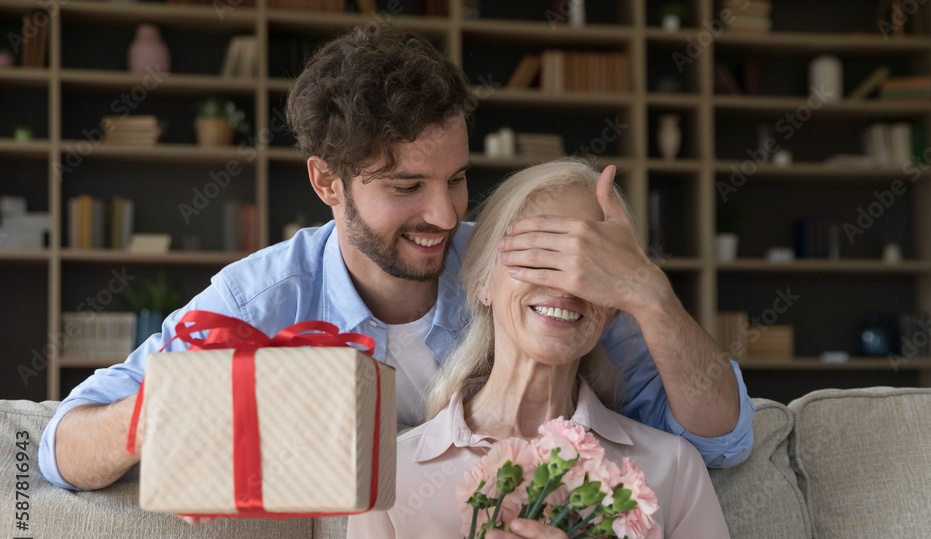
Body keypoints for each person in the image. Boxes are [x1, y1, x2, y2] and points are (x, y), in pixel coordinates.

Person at [39, 23, 755, 496]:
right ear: (327, 182)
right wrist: (169, 406)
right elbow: (60, 445)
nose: (445, 216)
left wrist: (648, 293)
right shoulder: (264, 300)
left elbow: (719, 440)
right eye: (406, 187)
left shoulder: (513, 270)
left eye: (455, 179)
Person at [338, 159, 776, 539]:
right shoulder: (392, 473)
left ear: (614, 303)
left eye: (594, 269)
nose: (566, 287)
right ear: (482, 279)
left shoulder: (669, 466)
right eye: (540, 255)